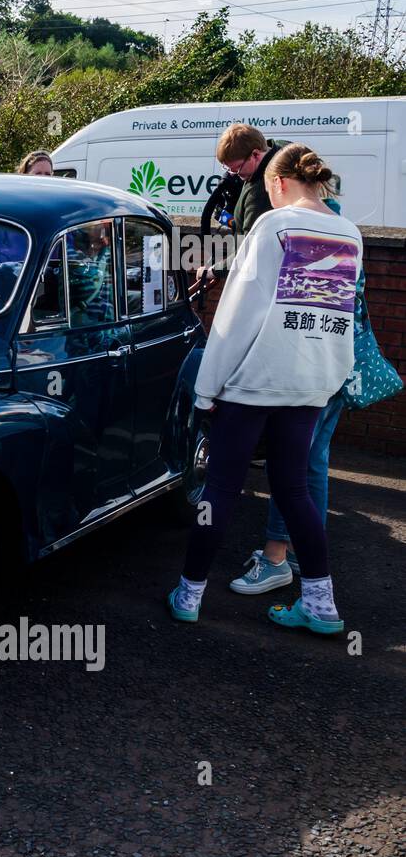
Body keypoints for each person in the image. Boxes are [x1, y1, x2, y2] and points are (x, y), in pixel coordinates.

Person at [168, 143, 361, 636]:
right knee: (295, 491)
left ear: (277, 182)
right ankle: (321, 604)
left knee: (220, 490)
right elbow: (338, 321)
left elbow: (237, 314)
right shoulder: (350, 234)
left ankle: (189, 593)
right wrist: (327, 379)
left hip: (253, 384)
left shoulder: (275, 226)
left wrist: (207, 387)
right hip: (310, 386)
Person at [196, 124, 282, 287]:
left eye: (237, 168)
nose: (235, 175)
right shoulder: (280, 149)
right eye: (228, 169)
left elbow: (248, 254)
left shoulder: (259, 193)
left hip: (263, 281)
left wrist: (212, 271)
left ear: (255, 154)